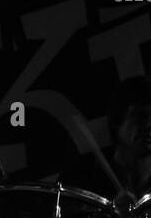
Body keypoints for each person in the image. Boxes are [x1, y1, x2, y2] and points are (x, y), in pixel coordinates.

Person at [60, 76, 151, 209]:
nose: (149, 124)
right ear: (116, 121)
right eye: (140, 116)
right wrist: (110, 214)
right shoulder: (82, 178)